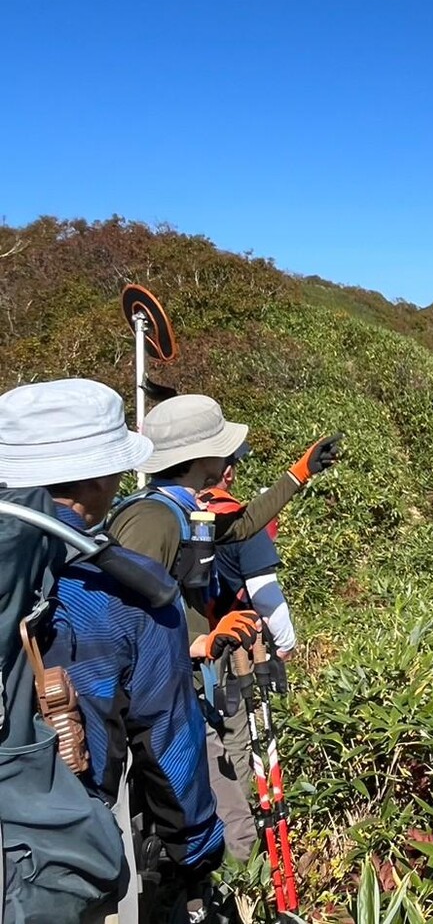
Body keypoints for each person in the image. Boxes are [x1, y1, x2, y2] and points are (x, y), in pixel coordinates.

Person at [0, 378, 225, 922]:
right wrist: (195, 847)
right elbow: (169, 744)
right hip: (50, 858)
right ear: (102, 475)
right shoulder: (130, 593)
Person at [106, 394, 340, 864]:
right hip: (156, 698)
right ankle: (223, 887)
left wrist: (300, 473)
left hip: (177, 686)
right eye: (222, 448)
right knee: (212, 800)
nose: (230, 459)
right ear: (198, 458)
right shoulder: (154, 519)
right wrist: (200, 643)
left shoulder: (187, 508)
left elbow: (246, 522)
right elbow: (120, 616)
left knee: (211, 793)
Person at [199, 445, 296, 661]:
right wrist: (285, 645)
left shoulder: (178, 512)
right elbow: (266, 598)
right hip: (230, 649)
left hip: (183, 643)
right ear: (228, 473)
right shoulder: (241, 523)